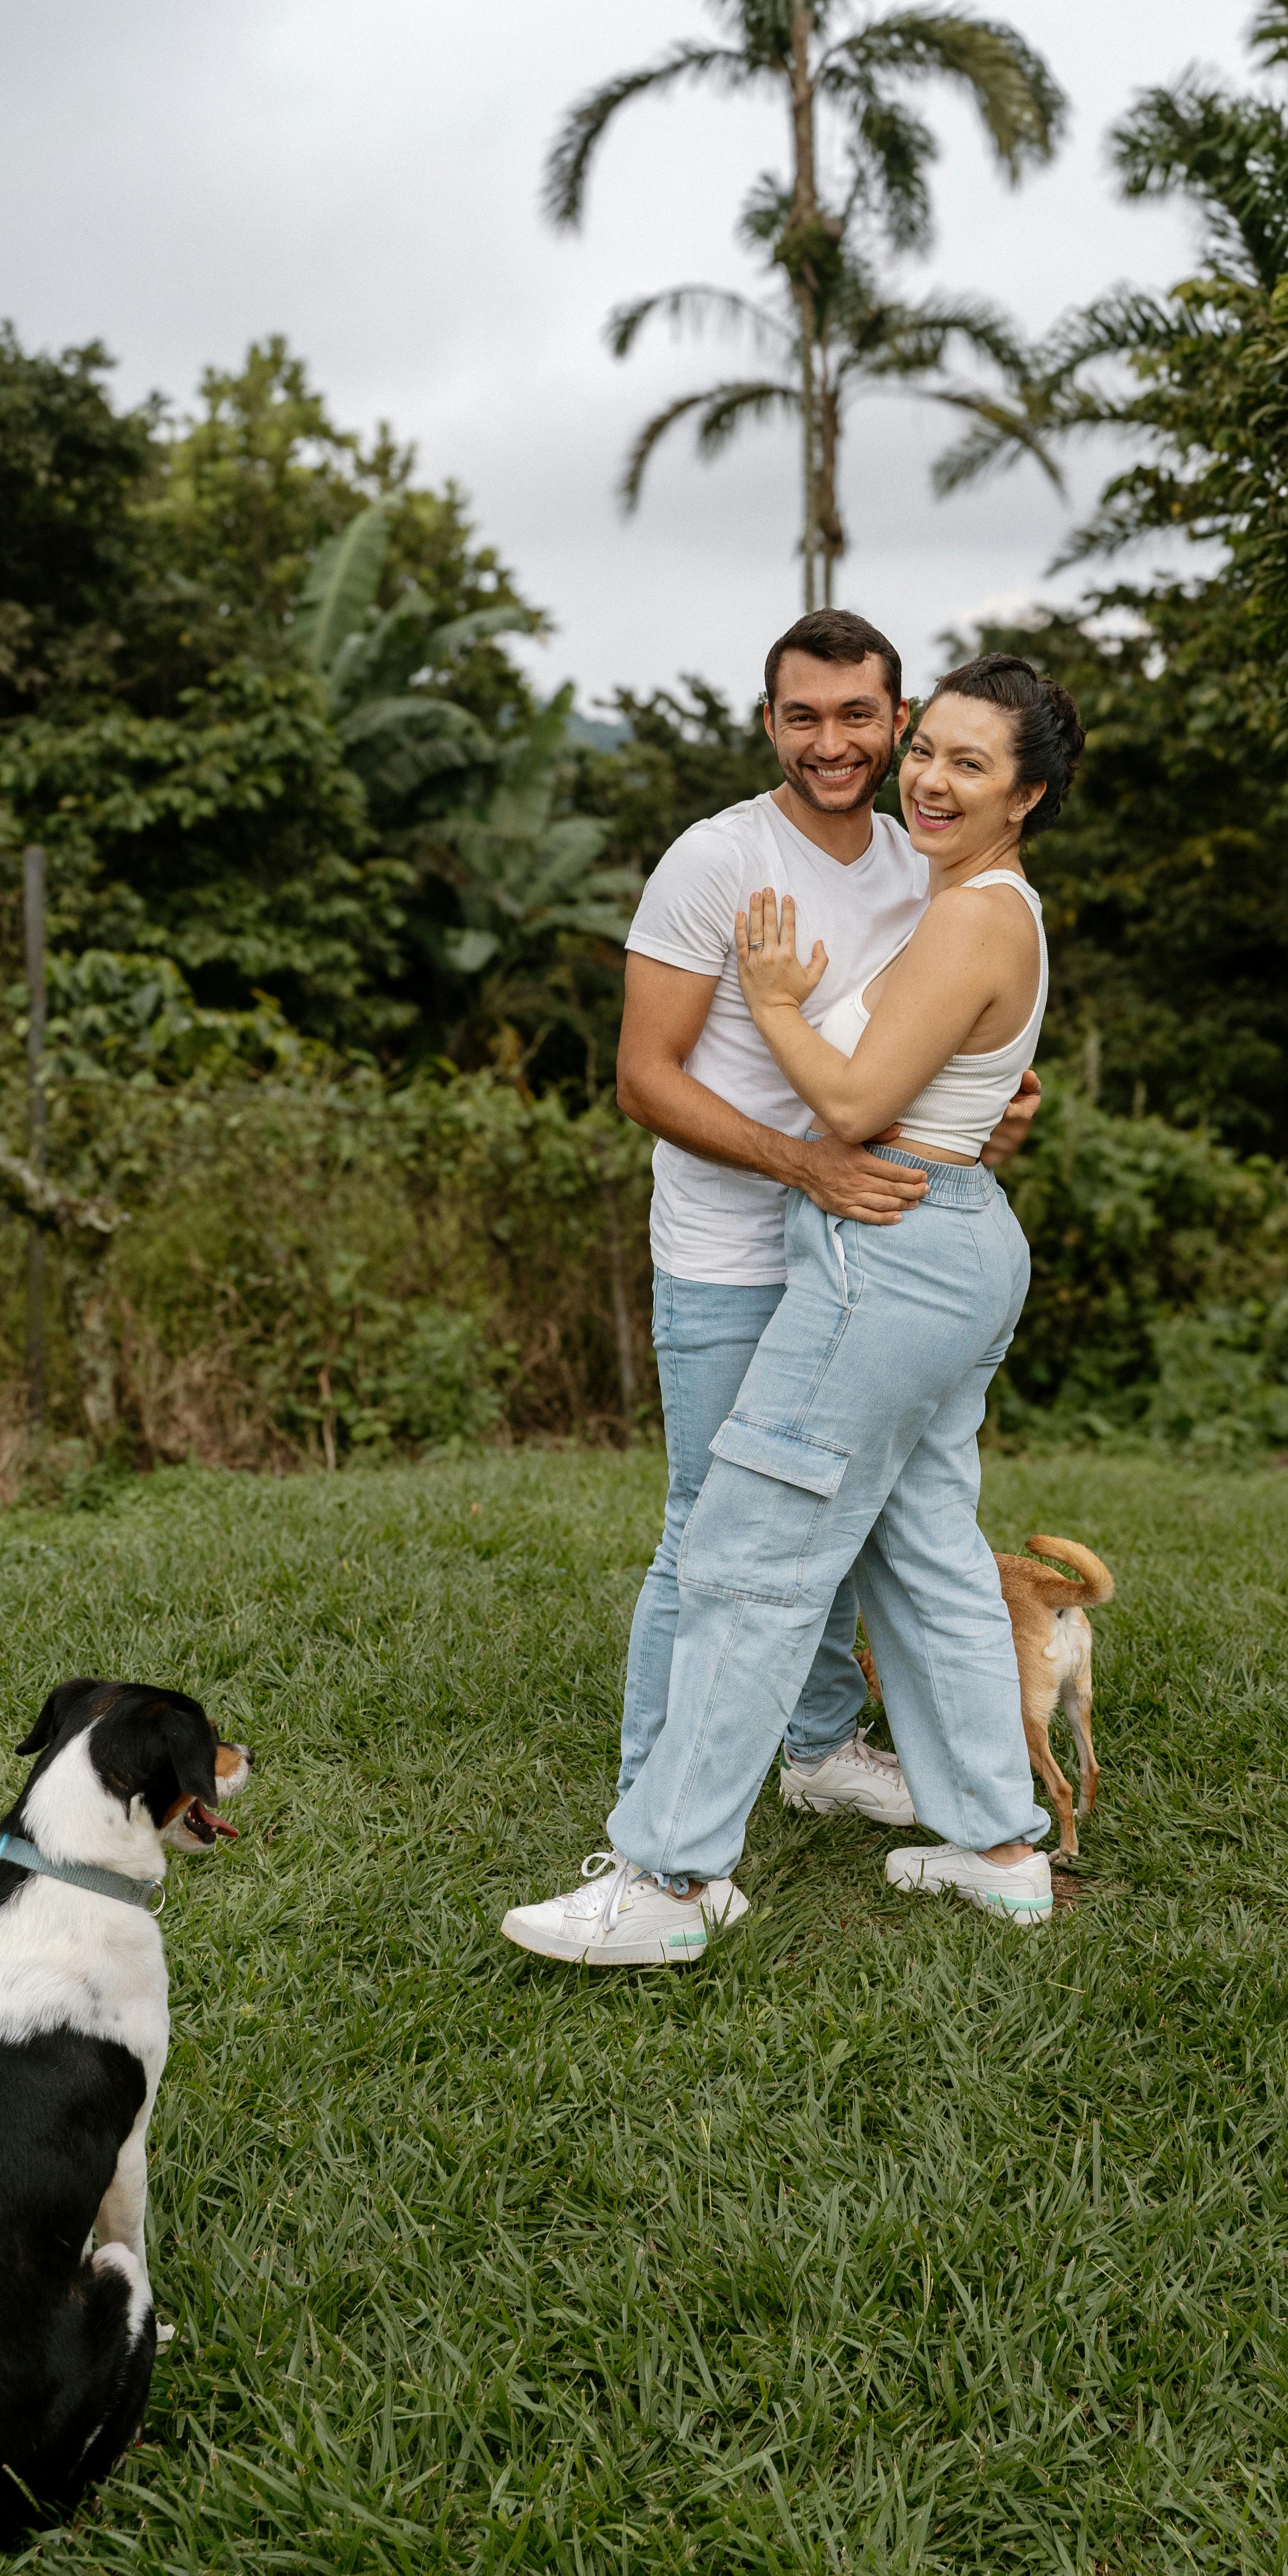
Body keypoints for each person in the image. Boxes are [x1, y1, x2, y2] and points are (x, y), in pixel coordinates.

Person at [504, 652, 1080, 1967]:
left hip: (888, 1257)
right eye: (928, 748)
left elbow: (853, 1106)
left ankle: (667, 1879)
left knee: (748, 1554)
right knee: (925, 1548)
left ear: (1027, 795)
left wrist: (772, 1005)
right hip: (947, 1243)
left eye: (968, 763)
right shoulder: (986, 906)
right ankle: (999, 1850)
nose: (929, 777)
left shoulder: (974, 913)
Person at [605, 608, 1040, 1845]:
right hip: (727, 1254)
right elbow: (646, 1076)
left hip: (866, 1257)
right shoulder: (713, 861)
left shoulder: (929, 863)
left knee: (844, 1527)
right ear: (768, 725)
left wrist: (985, 1117)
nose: (832, 743)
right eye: (803, 717)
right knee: (711, 1529)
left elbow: (936, 1048)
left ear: (896, 722)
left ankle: (816, 1750)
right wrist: (809, 1166)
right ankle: (653, 1790)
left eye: (858, 717)